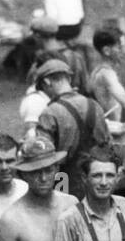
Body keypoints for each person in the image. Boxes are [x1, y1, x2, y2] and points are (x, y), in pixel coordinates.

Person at [34, 58, 111, 199]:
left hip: (63, 177)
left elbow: (44, 156)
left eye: (43, 88)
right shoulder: (94, 105)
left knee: (64, 213)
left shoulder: (50, 112)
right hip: (95, 175)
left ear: (46, 82)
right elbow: (106, 142)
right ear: (68, 78)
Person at [88, 29, 125, 122]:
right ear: (106, 51)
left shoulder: (100, 70)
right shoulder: (106, 73)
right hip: (113, 131)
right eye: (120, 48)